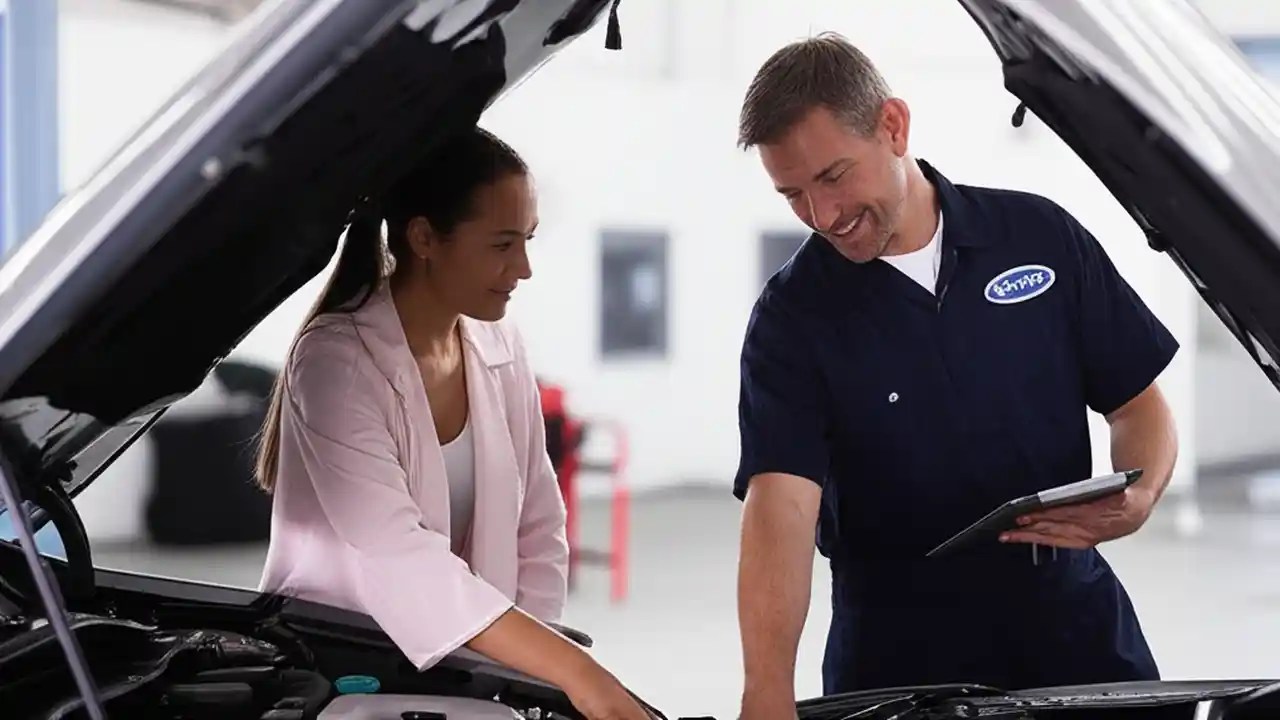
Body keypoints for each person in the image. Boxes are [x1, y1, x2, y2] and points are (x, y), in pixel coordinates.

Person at [731, 33, 1180, 718]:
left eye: (832, 177)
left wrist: (1141, 492)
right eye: (792, 194)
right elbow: (781, 512)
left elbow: (1138, 404)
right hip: (898, 662)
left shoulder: (1039, 238)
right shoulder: (793, 318)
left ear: (893, 125)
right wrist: (766, 690)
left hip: (1073, 636)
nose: (822, 217)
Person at [255, 126, 655, 720]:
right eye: (501, 245)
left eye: (528, 241)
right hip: (338, 666)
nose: (523, 267)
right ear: (424, 238)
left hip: (465, 668)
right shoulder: (335, 360)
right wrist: (574, 672)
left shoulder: (499, 341)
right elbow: (398, 556)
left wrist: (531, 675)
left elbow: (538, 521)